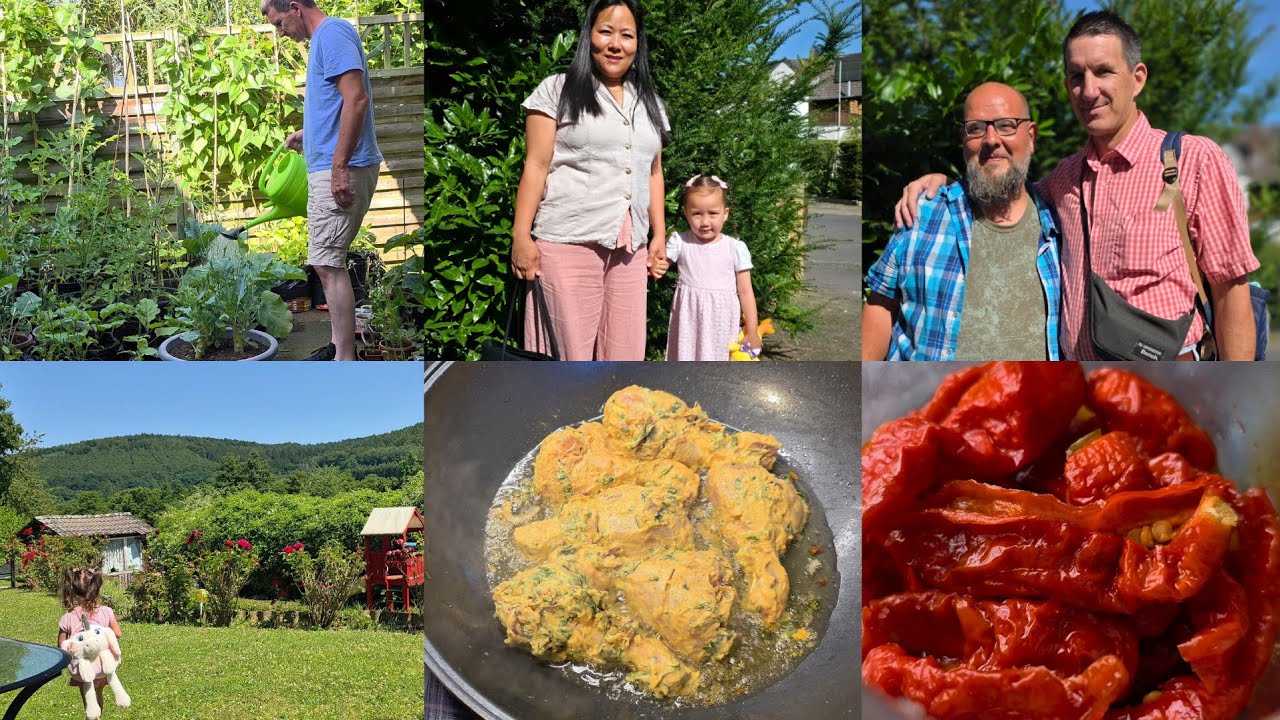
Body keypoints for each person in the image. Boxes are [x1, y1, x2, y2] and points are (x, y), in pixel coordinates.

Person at [894, 11, 1258, 360]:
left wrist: (1234, 389)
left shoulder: (1191, 160)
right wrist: (945, 184)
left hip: (1169, 378)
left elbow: (1231, 293)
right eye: (1076, 76)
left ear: (1138, 78)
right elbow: (1003, 190)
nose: (1088, 90)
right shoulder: (1063, 178)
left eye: (1103, 71)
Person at [511, 0, 669, 361]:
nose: (615, 44)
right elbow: (536, 165)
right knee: (566, 361)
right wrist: (521, 236)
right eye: (606, 32)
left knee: (624, 359)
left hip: (630, 251)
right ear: (589, 36)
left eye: (626, 35)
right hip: (568, 242)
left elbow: (654, 172)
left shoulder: (651, 104)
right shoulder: (557, 90)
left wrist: (658, 236)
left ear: (638, 43)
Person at [863, 83, 1063, 361]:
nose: (991, 140)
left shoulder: (1061, 223)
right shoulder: (922, 213)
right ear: (963, 140)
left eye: (1006, 125)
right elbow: (881, 305)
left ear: (1031, 137)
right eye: (976, 128)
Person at [261, 0, 384, 361]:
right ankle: (337, 346)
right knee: (326, 261)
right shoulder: (326, 39)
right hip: (333, 164)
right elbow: (338, 103)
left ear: (295, 7)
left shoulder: (332, 34)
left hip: (344, 168)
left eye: (279, 23)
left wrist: (339, 166)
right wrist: (311, 133)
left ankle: (344, 359)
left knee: (328, 263)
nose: (280, 32)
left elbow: (356, 100)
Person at [650, 174, 761, 360]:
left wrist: (752, 331)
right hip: (688, 321)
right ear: (686, 213)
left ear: (725, 214)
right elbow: (660, 265)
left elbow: (746, 292)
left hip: (720, 323)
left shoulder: (735, 248)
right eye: (697, 214)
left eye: (713, 213)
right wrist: (656, 266)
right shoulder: (680, 242)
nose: (705, 222)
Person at [57, 567, 125, 717]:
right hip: (101, 665)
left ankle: (94, 717)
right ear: (96, 588)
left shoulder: (68, 616)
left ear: (72, 590)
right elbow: (118, 634)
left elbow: (61, 644)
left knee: (88, 697)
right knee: (98, 693)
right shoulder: (106, 611)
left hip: (82, 667)